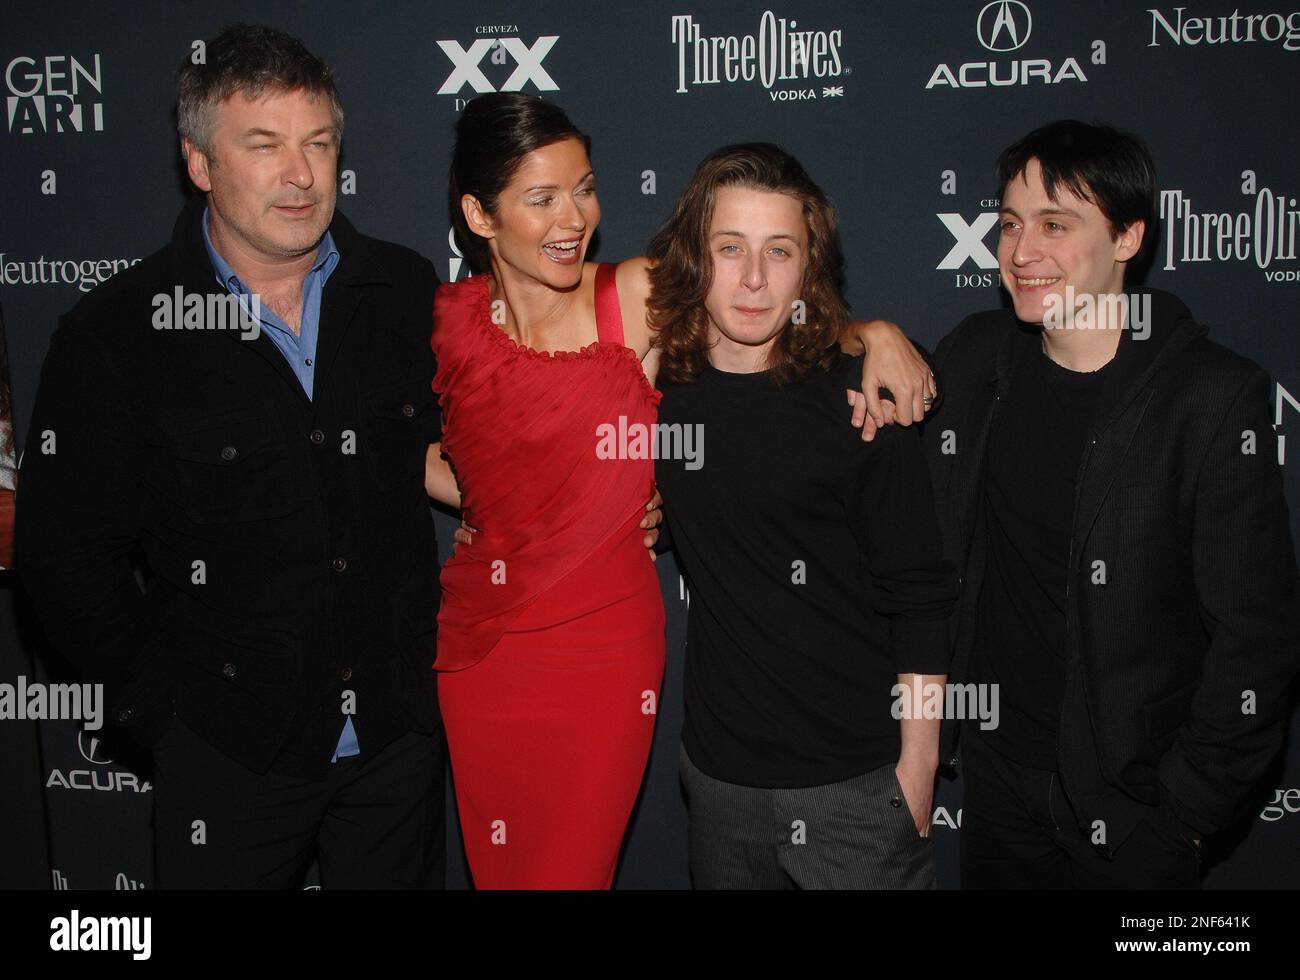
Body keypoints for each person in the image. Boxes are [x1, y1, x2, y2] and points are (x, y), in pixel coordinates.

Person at [431, 94, 937, 889]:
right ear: (478, 215)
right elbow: (449, 458)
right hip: (492, 656)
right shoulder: (450, 320)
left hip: (612, 656)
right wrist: (497, 512)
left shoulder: (633, 298)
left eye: (585, 188)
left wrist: (877, 335)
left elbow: (762, 307)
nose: (574, 217)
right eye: (542, 198)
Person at [17, 24, 447, 889]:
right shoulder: (115, 337)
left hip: (398, 746)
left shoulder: (405, 294)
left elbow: (468, 457)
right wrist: (168, 718)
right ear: (200, 163)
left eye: (318, 144)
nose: (301, 174)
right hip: (229, 761)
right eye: (265, 146)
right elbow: (62, 563)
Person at [923, 120, 1300, 889]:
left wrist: (1185, 817)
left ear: (1129, 236)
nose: (1023, 252)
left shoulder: (1210, 398)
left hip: (1137, 808)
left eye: (1057, 225)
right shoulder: (976, 359)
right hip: (998, 783)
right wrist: (875, 336)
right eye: (1012, 224)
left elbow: (1256, 637)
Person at [650, 143, 958, 889]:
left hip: (856, 783)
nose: (753, 279)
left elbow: (920, 591)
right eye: (730, 248)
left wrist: (917, 769)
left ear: (808, 266)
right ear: (696, 254)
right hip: (720, 784)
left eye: (778, 251)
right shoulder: (657, 390)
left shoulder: (861, 395)